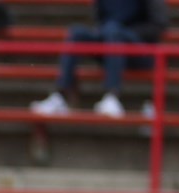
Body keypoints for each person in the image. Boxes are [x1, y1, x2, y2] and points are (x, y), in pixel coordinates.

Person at [29, 0, 170, 118]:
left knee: (113, 31)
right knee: (77, 32)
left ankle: (112, 97)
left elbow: (159, 25)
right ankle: (61, 96)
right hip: (109, 43)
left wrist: (122, 32)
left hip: (140, 51)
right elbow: (99, 20)